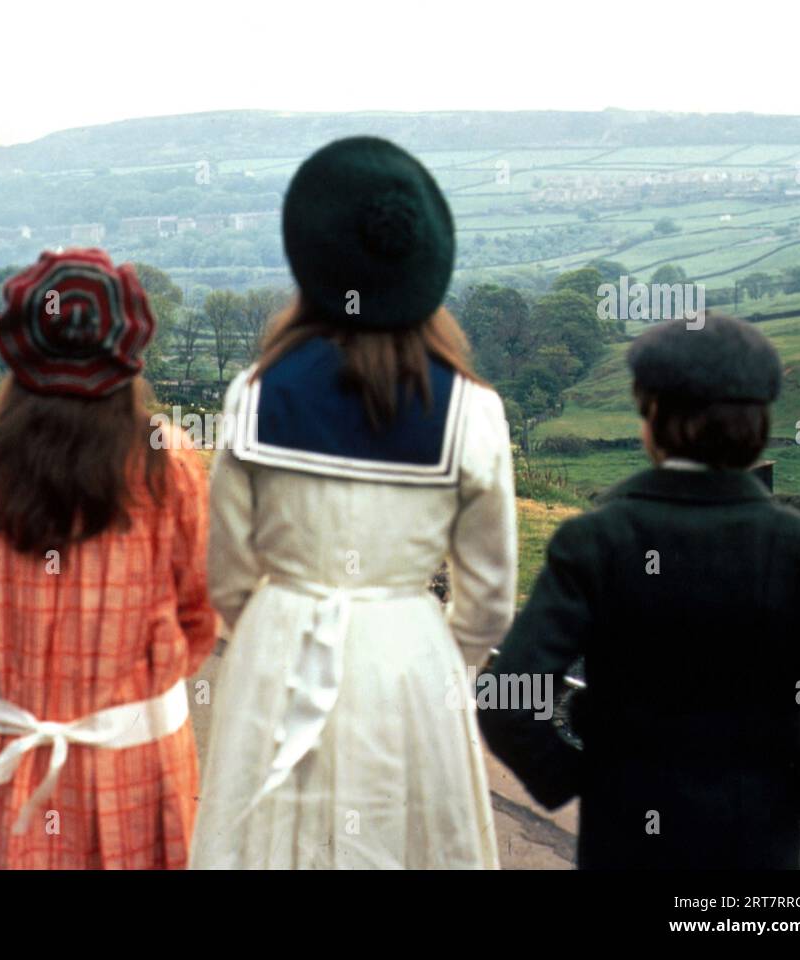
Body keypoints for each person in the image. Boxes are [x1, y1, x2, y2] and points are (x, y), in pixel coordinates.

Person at [190, 137, 517, 869]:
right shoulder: (472, 412)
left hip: (279, 647)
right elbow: (490, 601)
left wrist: (280, 622)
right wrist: (421, 646)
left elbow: (230, 577)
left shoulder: (252, 396)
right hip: (409, 661)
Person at [479, 312, 800, 869]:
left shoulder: (594, 539)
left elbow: (507, 698)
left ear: (651, 417)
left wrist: (587, 779)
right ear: (759, 422)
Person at [0, 248, 217, 869]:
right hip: (141, 766)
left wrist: (27, 680)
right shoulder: (169, 463)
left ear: (21, 348)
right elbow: (200, 615)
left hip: (12, 754)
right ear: (126, 352)